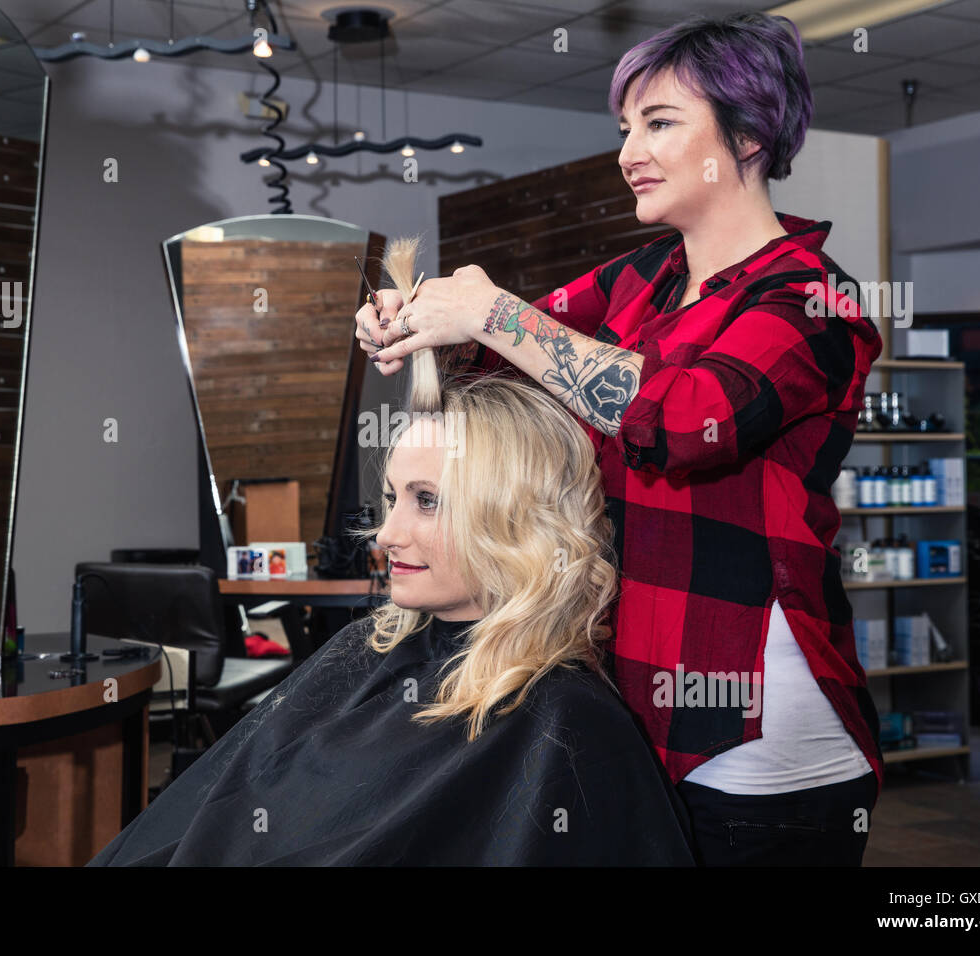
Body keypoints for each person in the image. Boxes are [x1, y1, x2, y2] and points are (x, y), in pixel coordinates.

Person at [358, 12, 883, 865]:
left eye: (660, 122)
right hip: (633, 695)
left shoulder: (812, 300)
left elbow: (685, 420)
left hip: (754, 736)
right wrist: (410, 325)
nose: (628, 150)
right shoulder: (645, 280)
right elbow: (504, 362)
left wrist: (492, 312)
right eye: (625, 127)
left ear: (747, 134)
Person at [88, 375, 696, 866]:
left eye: (426, 501)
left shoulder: (564, 719)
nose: (386, 533)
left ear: (514, 520)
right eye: (392, 497)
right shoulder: (365, 647)